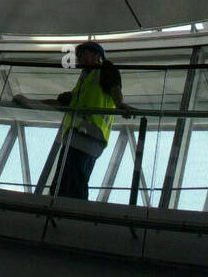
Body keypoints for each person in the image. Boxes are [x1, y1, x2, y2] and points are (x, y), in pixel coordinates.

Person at [13, 41, 133, 200]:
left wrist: (120, 104)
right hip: (77, 135)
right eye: (78, 55)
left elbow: (114, 86)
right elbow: (61, 103)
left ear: (97, 56)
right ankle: (60, 205)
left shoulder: (105, 69)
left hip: (90, 133)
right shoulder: (83, 85)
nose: (79, 58)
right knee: (65, 178)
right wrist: (29, 102)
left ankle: (73, 209)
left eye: (83, 54)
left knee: (74, 178)